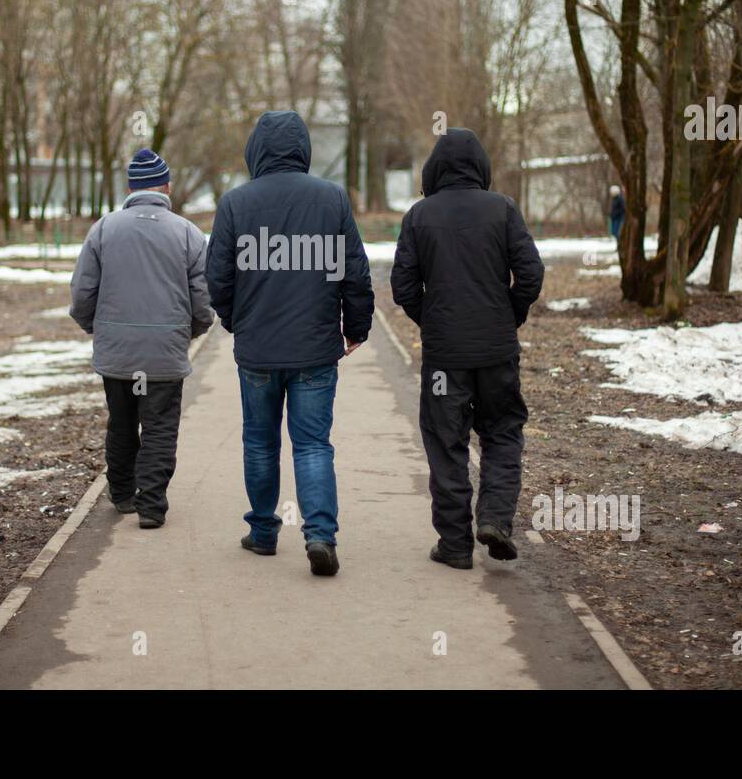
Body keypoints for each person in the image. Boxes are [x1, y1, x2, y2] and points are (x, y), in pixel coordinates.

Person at [205, 110, 374, 577]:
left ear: (255, 151)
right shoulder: (331, 199)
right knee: (313, 444)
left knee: (259, 442)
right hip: (316, 348)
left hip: (258, 348)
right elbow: (354, 273)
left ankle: (263, 533)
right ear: (303, 150)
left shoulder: (235, 204)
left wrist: (235, 320)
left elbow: (216, 278)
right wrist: (356, 327)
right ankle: (319, 535)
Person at [390, 128, 544, 569]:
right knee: (502, 432)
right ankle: (495, 518)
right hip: (496, 352)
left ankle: (455, 545)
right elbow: (531, 273)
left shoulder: (420, 216)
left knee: (446, 442)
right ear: (480, 167)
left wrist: (433, 320)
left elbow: (403, 286)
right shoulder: (503, 210)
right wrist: (508, 315)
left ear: (434, 169)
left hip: (444, 360)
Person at [70, 149, 213, 529]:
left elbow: (83, 293)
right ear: (166, 186)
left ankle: (121, 493)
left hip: (118, 353)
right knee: (160, 426)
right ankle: (151, 504)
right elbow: (202, 301)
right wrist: (190, 332)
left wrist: (96, 329)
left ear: (129, 187)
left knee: (122, 421)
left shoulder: (103, 229)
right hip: (164, 352)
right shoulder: (188, 233)